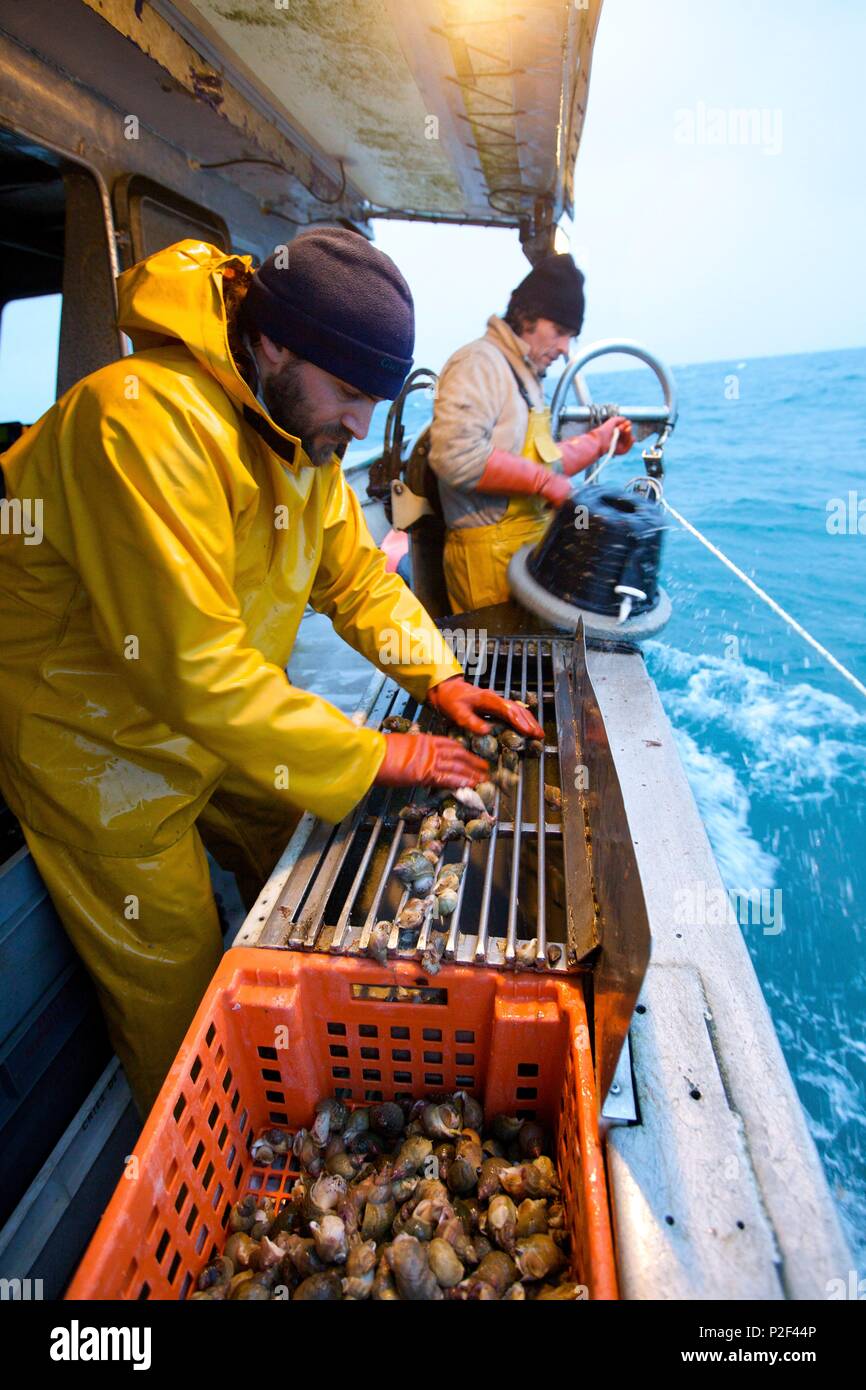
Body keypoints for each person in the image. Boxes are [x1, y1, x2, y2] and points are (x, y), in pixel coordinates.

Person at [0, 230, 542, 1116]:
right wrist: (379, 758)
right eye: (350, 394)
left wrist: (440, 680)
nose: (363, 426)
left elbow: (356, 576)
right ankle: (207, 1148)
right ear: (273, 343)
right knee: (176, 975)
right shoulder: (137, 419)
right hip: (93, 748)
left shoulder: (296, 433)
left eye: (375, 398)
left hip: (217, 721)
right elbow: (191, 667)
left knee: (302, 859)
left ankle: (315, 1038)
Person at [429, 252, 635, 613]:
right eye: (559, 332)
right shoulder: (479, 363)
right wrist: (545, 485)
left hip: (528, 555)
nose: (565, 348)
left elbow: (541, 463)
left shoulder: (524, 374)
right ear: (526, 315)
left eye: (571, 336)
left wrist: (601, 441)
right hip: (486, 566)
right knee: (495, 671)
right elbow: (455, 458)